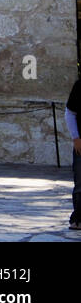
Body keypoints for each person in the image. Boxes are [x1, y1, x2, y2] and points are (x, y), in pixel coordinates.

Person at [67, 76, 80, 230]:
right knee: (80, 184)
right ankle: (78, 218)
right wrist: (76, 138)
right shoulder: (79, 85)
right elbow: (70, 113)